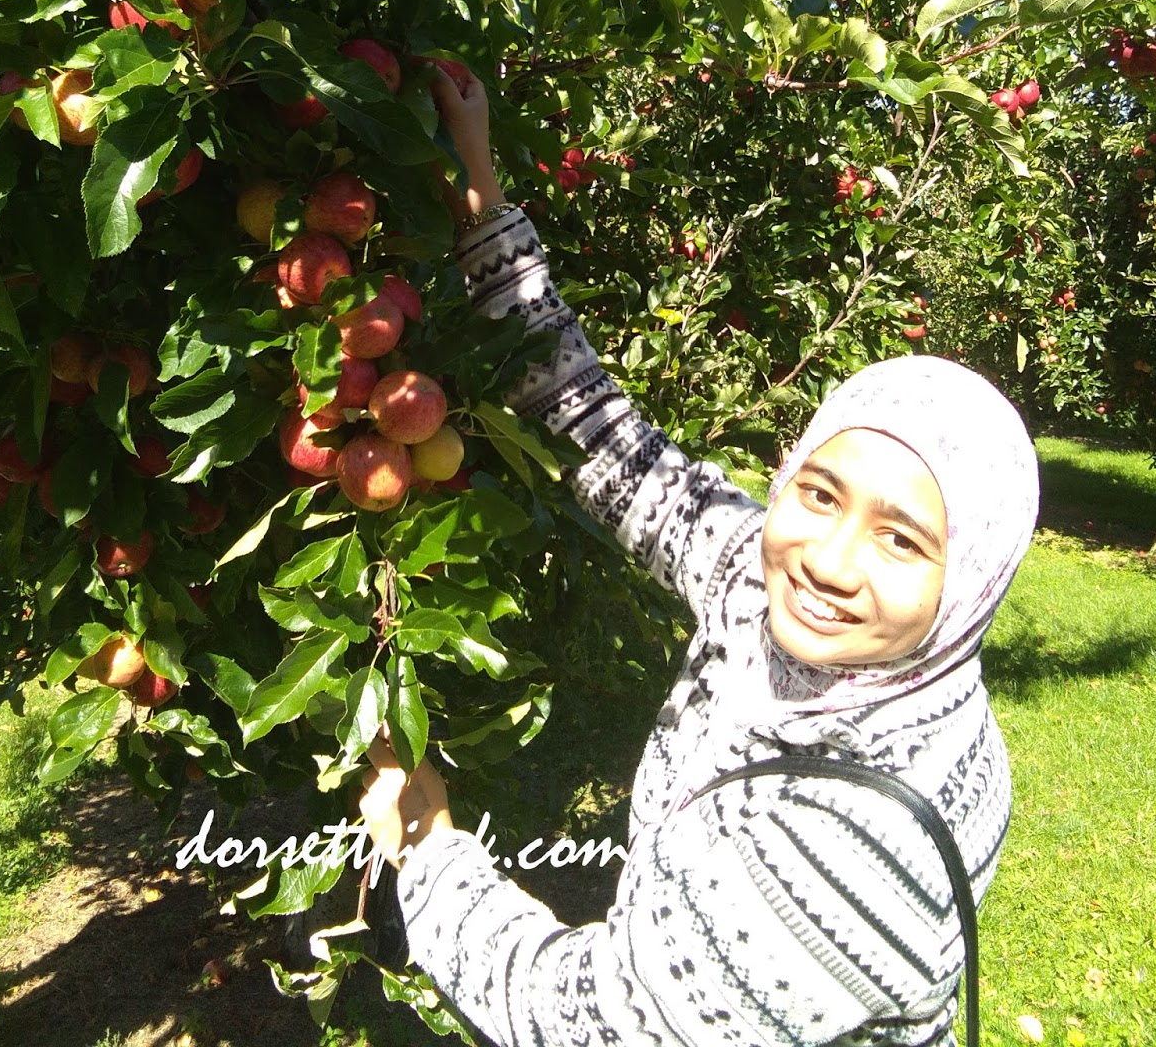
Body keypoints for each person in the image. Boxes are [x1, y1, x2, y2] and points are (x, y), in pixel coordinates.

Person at [359, 69, 1040, 1047]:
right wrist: (480, 188)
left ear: (968, 583)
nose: (830, 561)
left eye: (902, 538)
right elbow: (606, 439)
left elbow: (600, 1026)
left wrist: (426, 855)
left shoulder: (860, 840)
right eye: (819, 493)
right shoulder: (759, 584)